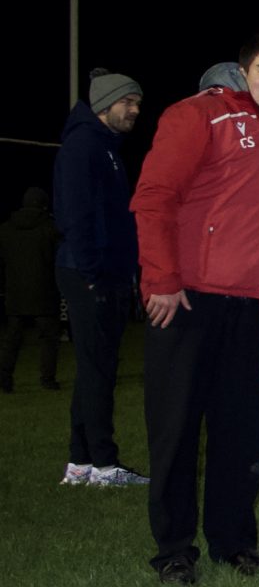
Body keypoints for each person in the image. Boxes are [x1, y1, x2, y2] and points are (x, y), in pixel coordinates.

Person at [130, 32, 259, 581]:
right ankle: (174, 549)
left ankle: (234, 542)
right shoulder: (200, 115)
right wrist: (161, 278)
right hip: (188, 299)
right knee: (177, 429)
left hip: (250, 303)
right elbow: (155, 195)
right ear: (243, 71)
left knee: (241, 431)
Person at [52, 68, 147, 487]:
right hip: (88, 273)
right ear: (105, 104)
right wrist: (93, 272)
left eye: (137, 102)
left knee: (95, 367)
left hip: (100, 272)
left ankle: (80, 463)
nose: (135, 110)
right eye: (128, 102)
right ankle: (105, 465)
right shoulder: (84, 145)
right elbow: (75, 212)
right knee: (98, 369)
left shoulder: (104, 146)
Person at [2, 189, 60, 393]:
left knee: (12, 339)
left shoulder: (6, 229)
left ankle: (5, 378)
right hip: (44, 292)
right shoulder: (50, 228)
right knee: (49, 339)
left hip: (15, 293)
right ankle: (48, 379)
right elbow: (57, 258)